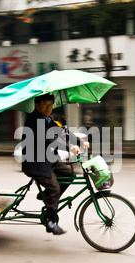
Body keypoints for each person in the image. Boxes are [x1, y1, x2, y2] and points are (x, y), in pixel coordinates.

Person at [21, 94, 89, 235]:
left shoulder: (48, 119)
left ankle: (46, 196)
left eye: (51, 105)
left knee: (70, 175)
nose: (49, 108)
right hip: (35, 163)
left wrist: (80, 142)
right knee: (55, 188)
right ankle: (51, 222)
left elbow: (62, 132)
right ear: (37, 105)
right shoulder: (34, 120)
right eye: (45, 105)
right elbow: (49, 139)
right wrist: (70, 147)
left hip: (47, 159)